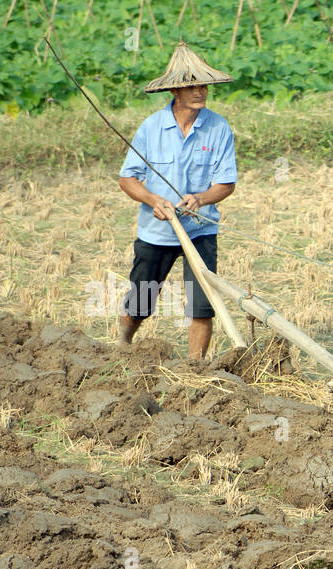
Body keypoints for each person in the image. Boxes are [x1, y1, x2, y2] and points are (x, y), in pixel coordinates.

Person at [117, 41, 237, 359]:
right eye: (191, 86)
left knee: (202, 306)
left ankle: (195, 367)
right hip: (156, 232)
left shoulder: (219, 128)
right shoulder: (151, 128)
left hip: (200, 231)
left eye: (203, 85)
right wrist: (154, 200)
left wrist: (200, 199)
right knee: (140, 303)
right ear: (176, 91)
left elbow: (225, 184)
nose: (200, 91)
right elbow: (127, 179)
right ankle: (123, 345)